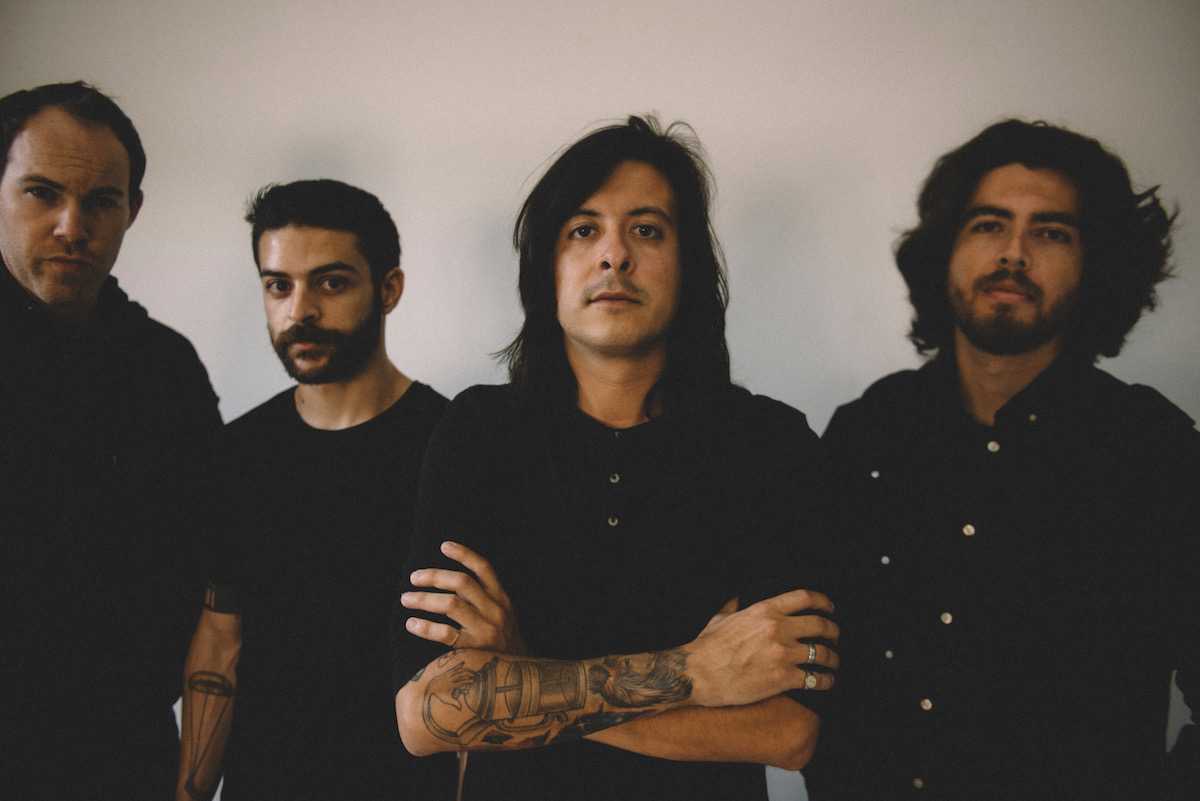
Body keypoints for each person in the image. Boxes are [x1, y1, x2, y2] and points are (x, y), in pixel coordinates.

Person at [391, 116, 838, 801]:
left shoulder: (769, 444)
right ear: (547, 267)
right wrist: (693, 671)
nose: (614, 256)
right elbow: (428, 714)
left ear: (688, 265)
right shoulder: (479, 433)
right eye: (582, 230)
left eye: (647, 230)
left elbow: (787, 731)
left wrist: (520, 672)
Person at [804, 120, 1199, 800]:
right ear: (946, 250)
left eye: (1052, 232)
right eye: (989, 225)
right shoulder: (866, 433)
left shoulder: (1153, 453)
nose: (1014, 253)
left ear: (1096, 264)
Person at [175, 180, 457, 800]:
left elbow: (477, 665)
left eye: (330, 283)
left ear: (389, 289)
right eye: (279, 286)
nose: (299, 310)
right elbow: (219, 646)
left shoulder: (456, 449)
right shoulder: (238, 453)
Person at [0, 81, 222, 796]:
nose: (72, 226)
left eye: (101, 201)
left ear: (133, 210)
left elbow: (208, 570)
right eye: (42, 193)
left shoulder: (167, 368)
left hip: (127, 758)